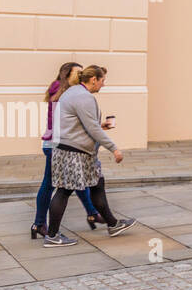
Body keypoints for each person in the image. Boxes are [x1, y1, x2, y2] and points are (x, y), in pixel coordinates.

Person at [42, 66, 136, 247]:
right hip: (73, 152)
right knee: (63, 191)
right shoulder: (84, 97)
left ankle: (113, 224)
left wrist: (99, 125)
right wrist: (114, 148)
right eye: (102, 80)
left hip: (75, 150)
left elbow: (84, 123)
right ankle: (52, 236)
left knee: (97, 184)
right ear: (93, 79)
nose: (103, 84)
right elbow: (91, 128)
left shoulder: (73, 92)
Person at [31, 63, 103, 239]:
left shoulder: (68, 91)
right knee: (52, 185)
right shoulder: (63, 91)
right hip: (57, 145)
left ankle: (92, 213)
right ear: (67, 74)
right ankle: (40, 224)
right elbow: (64, 123)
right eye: (78, 72)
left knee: (76, 181)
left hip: (59, 143)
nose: (82, 74)